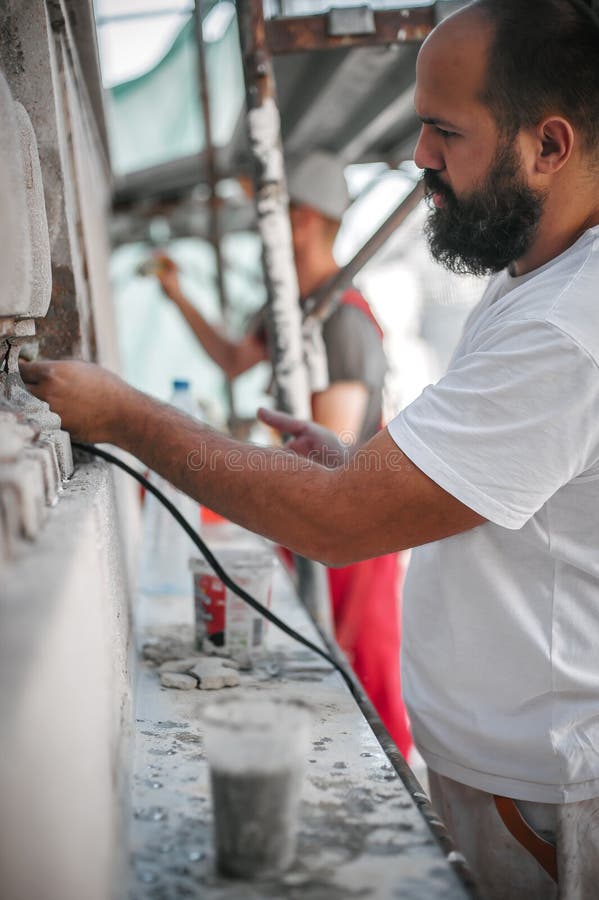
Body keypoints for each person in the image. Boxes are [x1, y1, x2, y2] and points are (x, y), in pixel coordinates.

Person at [21, 1, 599, 895]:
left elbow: (338, 525)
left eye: (444, 131)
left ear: (548, 146)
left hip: (542, 789)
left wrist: (129, 418)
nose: (419, 159)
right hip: (506, 767)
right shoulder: (533, 276)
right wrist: (351, 463)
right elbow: (475, 490)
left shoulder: (570, 324)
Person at [152, 151, 413, 758]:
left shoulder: (342, 320)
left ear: (298, 221)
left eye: (267, 213)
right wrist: (176, 294)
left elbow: (336, 457)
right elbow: (231, 359)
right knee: (323, 683)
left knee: (368, 693)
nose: (254, 228)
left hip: (355, 544)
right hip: (309, 527)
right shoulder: (287, 310)